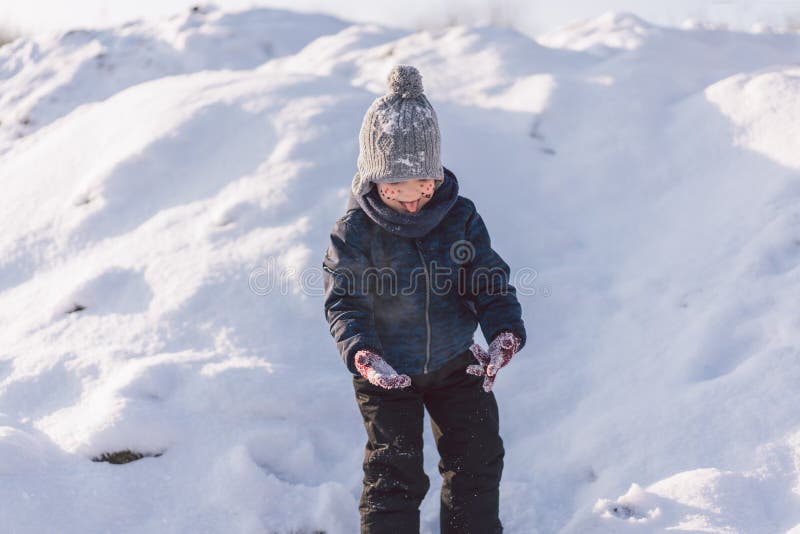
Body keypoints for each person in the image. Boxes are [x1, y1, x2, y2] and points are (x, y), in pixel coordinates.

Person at [322, 64, 526, 534]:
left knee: (477, 459)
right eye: (398, 188)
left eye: (424, 185)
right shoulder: (355, 233)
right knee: (394, 474)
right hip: (387, 373)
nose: (413, 200)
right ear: (375, 180)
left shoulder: (460, 217)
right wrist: (364, 354)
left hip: (457, 365)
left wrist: (504, 332)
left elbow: (488, 281)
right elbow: (344, 303)